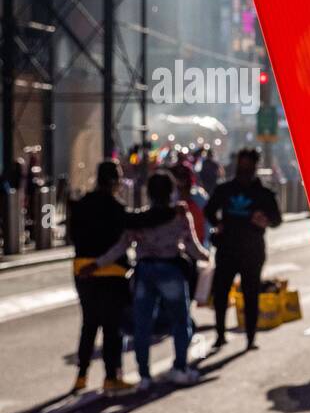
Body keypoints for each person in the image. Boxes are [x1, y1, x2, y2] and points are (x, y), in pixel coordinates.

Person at [81, 170, 209, 388]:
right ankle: (179, 368)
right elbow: (191, 245)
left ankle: (144, 375)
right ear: (171, 192)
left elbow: (121, 246)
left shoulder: (138, 219)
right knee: (181, 322)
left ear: (148, 193)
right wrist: (206, 256)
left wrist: (96, 264)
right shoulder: (179, 215)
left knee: (142, 326)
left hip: (144, 272)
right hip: (171, 271)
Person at [206, 147, 282, 350]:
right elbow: (209, 210)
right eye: (242, 164)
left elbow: (277, 220)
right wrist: (217, 223)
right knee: (221, 294)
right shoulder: (225, 189)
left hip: (252, 251)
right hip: (227, 248)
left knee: (250, 294)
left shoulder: (264, 193)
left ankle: (250, 338)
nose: (244, 168)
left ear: (255, 166)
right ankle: (220, 335)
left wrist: (264, 220)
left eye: (248, 165)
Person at [67, 161, 133, 393]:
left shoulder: (81, 204)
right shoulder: (117, 207)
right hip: (111, 271)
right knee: (111, 328)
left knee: (89, 323)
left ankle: (81, 376)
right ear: (114, 181)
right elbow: (124, 239)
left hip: (82, 269)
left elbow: (73, 235)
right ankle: (110, 378)